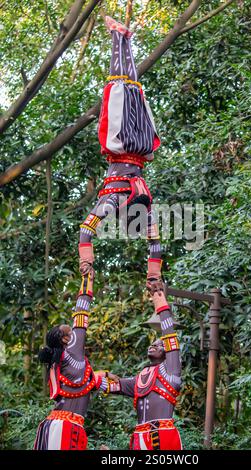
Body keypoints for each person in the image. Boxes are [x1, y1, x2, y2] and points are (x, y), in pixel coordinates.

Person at [77, 16, 162, 319]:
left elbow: (155, 245)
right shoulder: (114, 200)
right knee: (117, 91)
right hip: (121, 148)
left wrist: (154, 274)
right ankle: (118, 37)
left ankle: (124, 38)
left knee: (133, 94)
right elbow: (85, 232)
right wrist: (86, 263)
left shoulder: (141, 205)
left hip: (140, 148)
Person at [100, 281, 182, 450]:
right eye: (151, 344)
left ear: (167, 351)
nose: (153, 346)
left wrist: (160, 302)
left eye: (159, 345)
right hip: (139, 437)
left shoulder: (171, 370)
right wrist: (91, 377)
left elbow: (170, 336)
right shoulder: (140, 379)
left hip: (162, 434)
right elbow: (112, 386)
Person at [34, 311, 118, 450]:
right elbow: (85, 381)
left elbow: (85, 381)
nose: (75, 333)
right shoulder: (68, 356)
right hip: (65, 425)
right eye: (71, 332)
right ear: (65, 340)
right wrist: (86, 291)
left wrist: (106, 374)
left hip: (60, 423)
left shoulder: (65, 361)